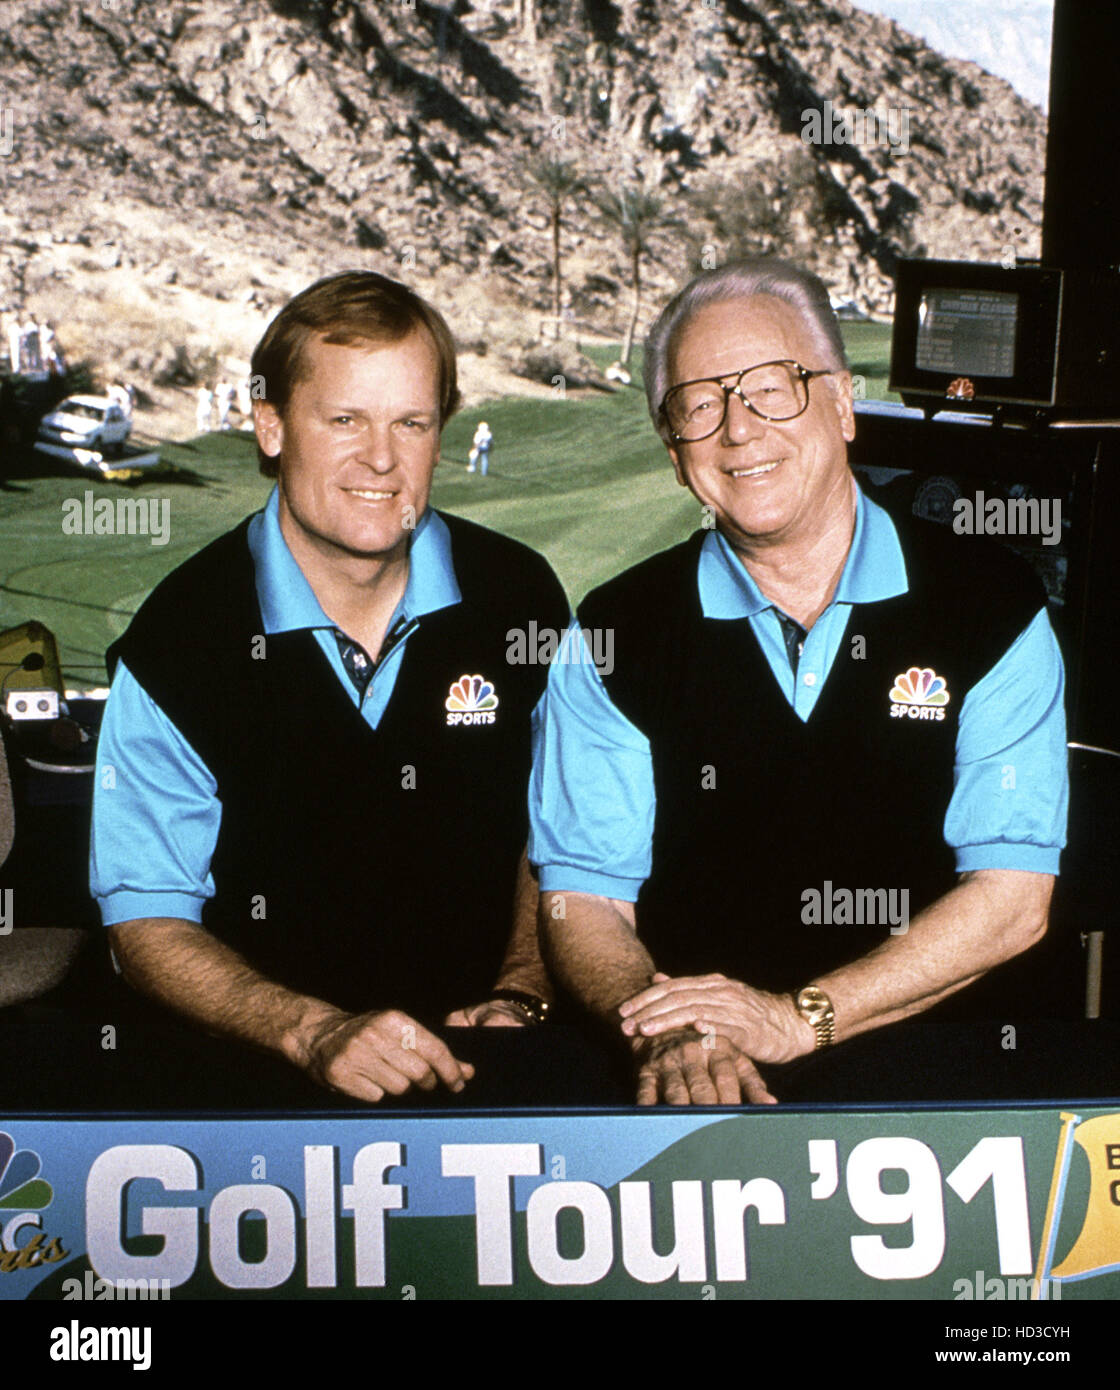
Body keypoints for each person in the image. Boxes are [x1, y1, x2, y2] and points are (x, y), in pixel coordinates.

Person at [530, 258, 1067, 1106]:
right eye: (699, 405)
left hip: (949, 1095)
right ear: (676, 455)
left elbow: (1010, 900)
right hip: (694, 1084)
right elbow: (583, 902)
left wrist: (796, 1018)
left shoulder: (992, 605)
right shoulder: (611, 633)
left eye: (771, 387)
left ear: (845, 404)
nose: (738, 430)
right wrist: (672, 1031)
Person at [91, 271, 567, 1103]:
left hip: (491, 1060)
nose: (380, 459)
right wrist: (312, 1033)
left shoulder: (521, 597)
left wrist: (523, 987)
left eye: (411, 423)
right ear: (271, 426)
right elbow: (146, 926)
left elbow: (559, 826)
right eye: (344, 419)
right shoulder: (180, 641)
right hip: (260, 1080)